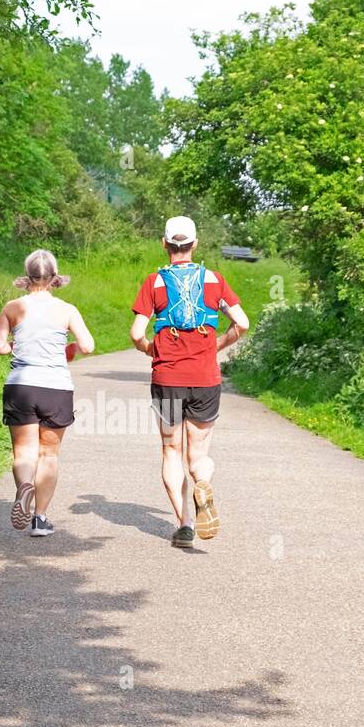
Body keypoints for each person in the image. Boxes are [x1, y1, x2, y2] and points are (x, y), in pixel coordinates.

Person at [129, 216, 249, 548]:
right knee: (199, 454)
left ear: (164, 244)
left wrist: (150, 349)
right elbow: (242, 322)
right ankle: (203, 482)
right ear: (195, 244)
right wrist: (218, 344)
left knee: (171, 449)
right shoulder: (214, 280)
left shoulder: (153, 283)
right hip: (205, 378)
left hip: (167, 378)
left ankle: (185, 524)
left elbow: (137, 333)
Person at [0, 249, 95, 537]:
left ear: (27, 275)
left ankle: (24, 486)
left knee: (23, 451)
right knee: (48, 455)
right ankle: (40, 518)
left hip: (21, 385)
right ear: (54, 277)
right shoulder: (67, 310)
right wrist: (67, 350)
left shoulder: (13, 307)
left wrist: (19, 347)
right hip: (55, 386)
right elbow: (87, 346)